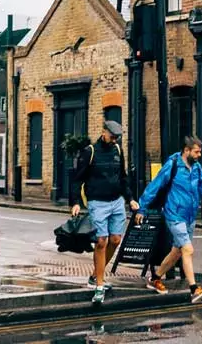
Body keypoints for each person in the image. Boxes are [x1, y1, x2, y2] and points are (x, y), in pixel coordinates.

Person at [136, 135, 202, 304]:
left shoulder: (197, 168)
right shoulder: (172, 166)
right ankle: (194, 290)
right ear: (186, 151)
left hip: (190, 216)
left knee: (177, 251)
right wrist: (142, 208)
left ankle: (155, 278)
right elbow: (154, 186)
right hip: (174, 214)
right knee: (187, 249)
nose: (199, 155)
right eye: (196, 152)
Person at [69, 119, 139, 304]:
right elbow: (77, 179)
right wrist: (75, 202)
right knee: (101, 241)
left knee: (115, 240)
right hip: (97, 203)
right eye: (113, 136)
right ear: (104, 132)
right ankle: (99, 286)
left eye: (117, 137)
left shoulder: (117, 151)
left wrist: (130, 199)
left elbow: (122, 177)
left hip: (116, 201)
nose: (115, 140)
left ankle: (94, 275)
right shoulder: (90, 152)